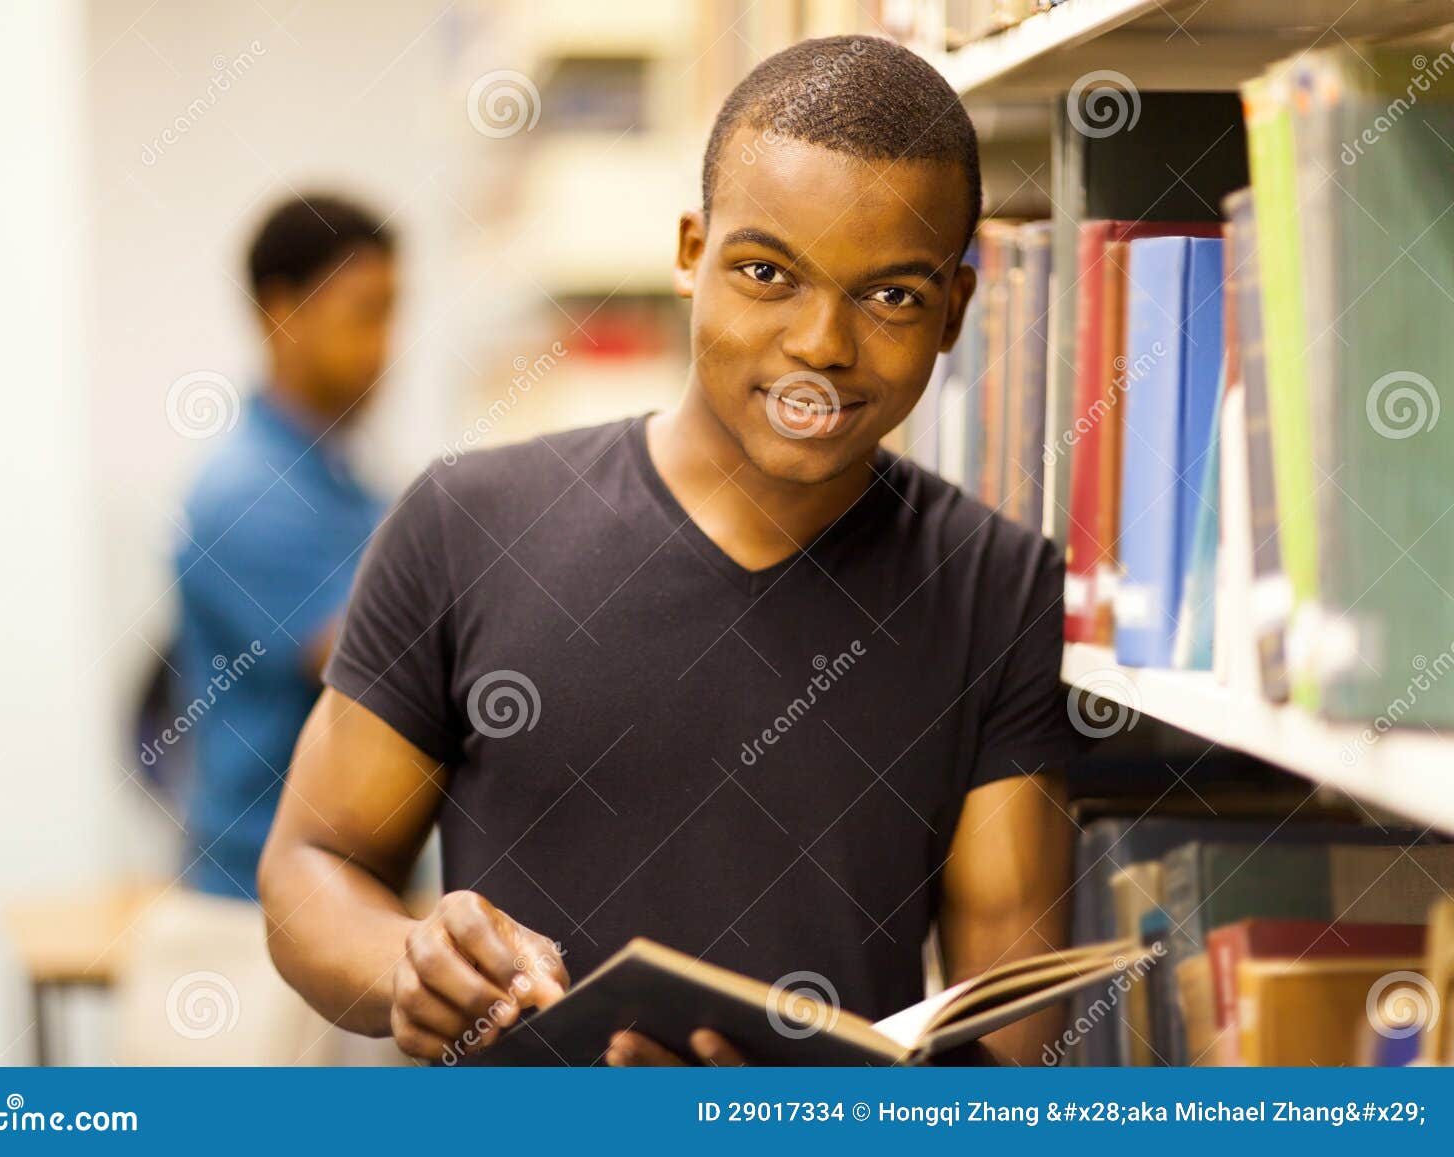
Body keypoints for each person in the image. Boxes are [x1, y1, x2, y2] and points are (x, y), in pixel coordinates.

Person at [259, 37, 1085, 1066]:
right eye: (765, 272)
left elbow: (1009, 1022)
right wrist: (406, 967)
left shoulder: (996, 588)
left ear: (956, 310)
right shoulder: (463, 523)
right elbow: (313, 860)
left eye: (891, 296)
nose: (822, 342)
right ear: (691, 251)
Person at [173, 193, 394, 901]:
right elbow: (380, 664)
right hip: (262, 896)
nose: (385, 347)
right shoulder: (245, 494)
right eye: (364, 313)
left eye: (393, 314)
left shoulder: (339, 476)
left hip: (348, 881)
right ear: (282, 311)